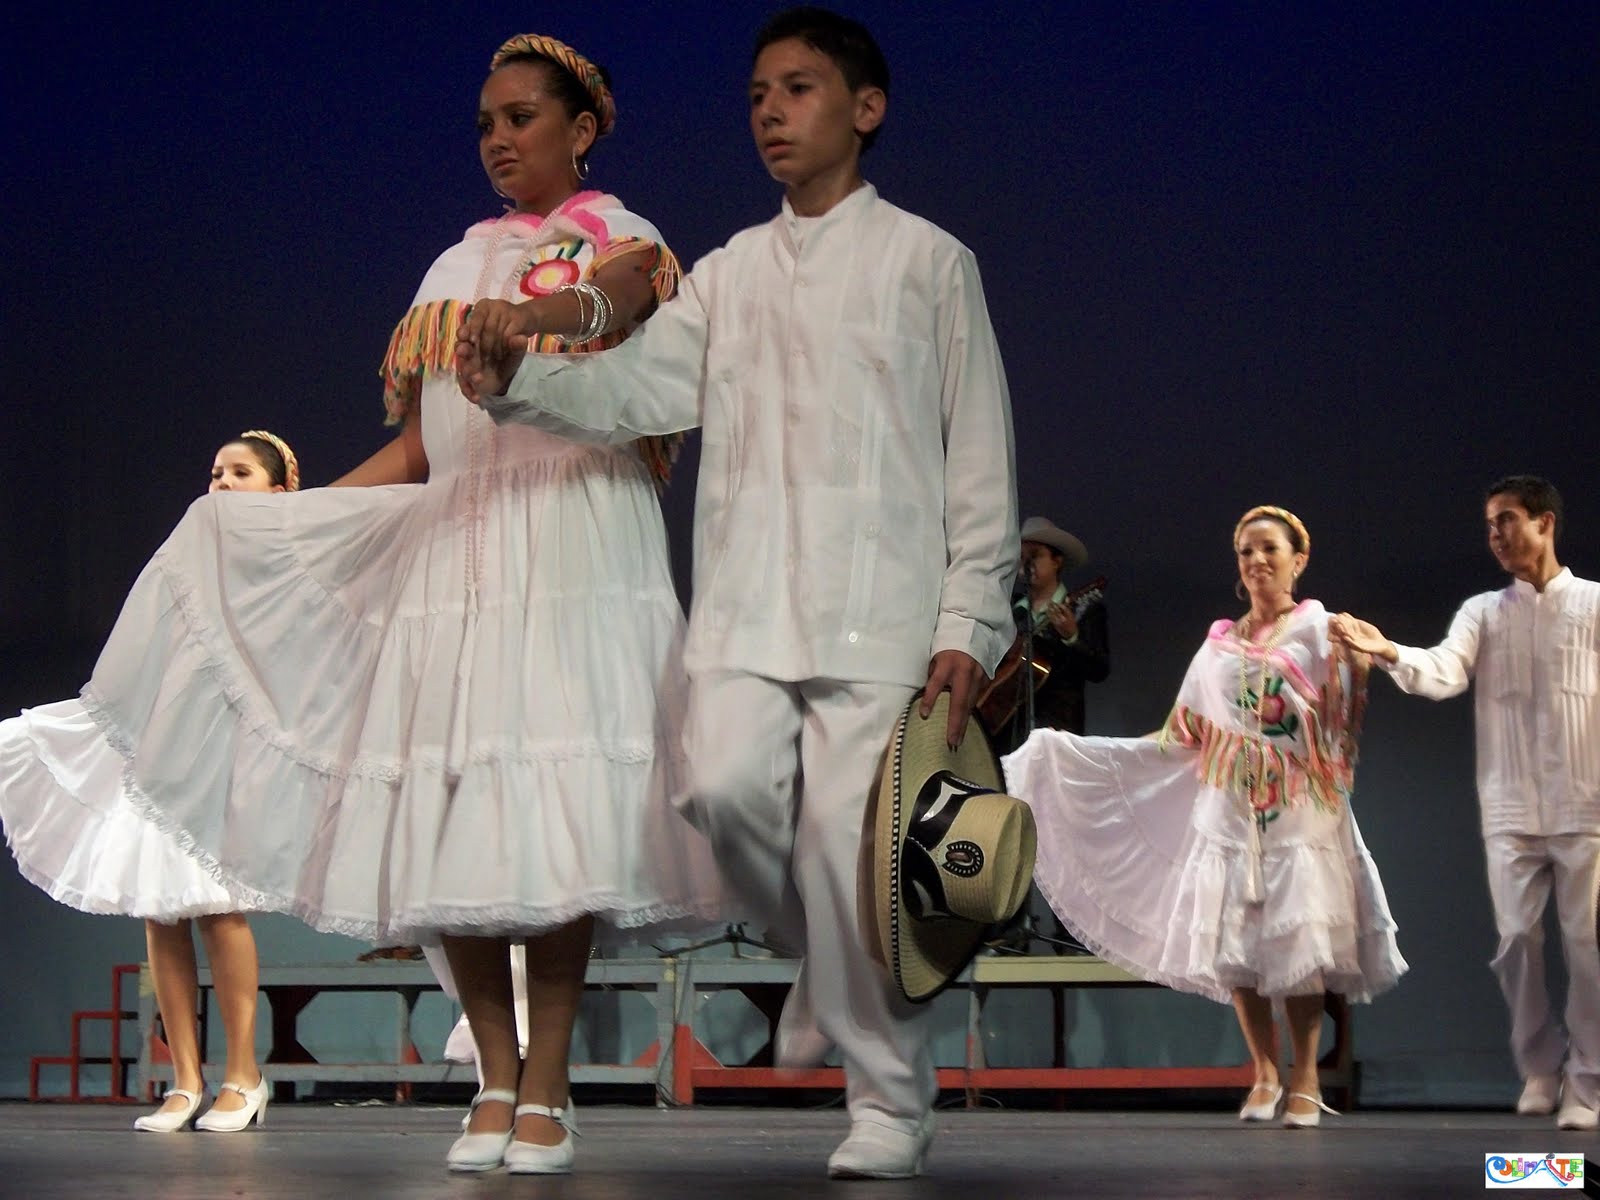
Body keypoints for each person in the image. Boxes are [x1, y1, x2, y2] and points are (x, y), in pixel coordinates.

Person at [16, 33, 720, 1176]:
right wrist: (293, 524)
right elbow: (419, 444)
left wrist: (536, 322)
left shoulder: (617, 240)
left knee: (555, 801)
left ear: (580, 128)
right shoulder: (452, 269)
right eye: (486, 122)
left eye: (523, 118)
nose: (499, 139)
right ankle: (492, 1079)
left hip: (572, 539)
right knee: (450, 805)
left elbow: (619, 298)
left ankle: (549, 1088)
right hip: (459, 548)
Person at [455, 7, 1017, 1178]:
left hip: (882, 612)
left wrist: (970, 615)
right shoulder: (728, 273)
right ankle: (825, 963)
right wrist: (517, 384)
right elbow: (640, 393)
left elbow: (981, 456)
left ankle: (887, 1098)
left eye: (798, 89)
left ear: (864, 109)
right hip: (745, 607)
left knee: (845, 844)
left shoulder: (928, 261)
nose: (769, 110)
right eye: (759, 92)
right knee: (719, 794)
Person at [1003, 506, 1406, 1128]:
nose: (1256, 560)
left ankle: (1303, 1075)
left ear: (1298, 559)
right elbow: (1183, 732)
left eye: (1269, 549)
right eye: (1246, 551)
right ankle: (1264, 1072)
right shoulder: (1219, 642)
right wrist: (1082, 755)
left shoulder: (1319, 628)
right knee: (1235, 939)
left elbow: (1341, 702)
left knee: (1298, 936)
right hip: (1230, 803)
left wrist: (1363, 655)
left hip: (1297, 800)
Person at [0, 432, 298, 1133]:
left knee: (218, 904)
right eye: (216, 471)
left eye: (241, 472)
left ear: (280, 488)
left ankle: (244, 1075)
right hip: (171, 739)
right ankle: (185, 1079)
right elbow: (143, 646)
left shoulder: (289, 559)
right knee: (161, 906)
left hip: (233, 740)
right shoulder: (184, 552)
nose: (222, 482)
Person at [1330, 475, 1600, 1130]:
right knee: (1515, 939)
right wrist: (1389, 649)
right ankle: (1540, 1064)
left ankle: (1587, 1085)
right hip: (1509, 805)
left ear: (1544, 523)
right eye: (1489, 525)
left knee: (1589, 941)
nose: (1497, 535)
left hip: (1585, 803)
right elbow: (1445, 669)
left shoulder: (1593, 606)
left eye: (1507, 520)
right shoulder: (1485, 611)